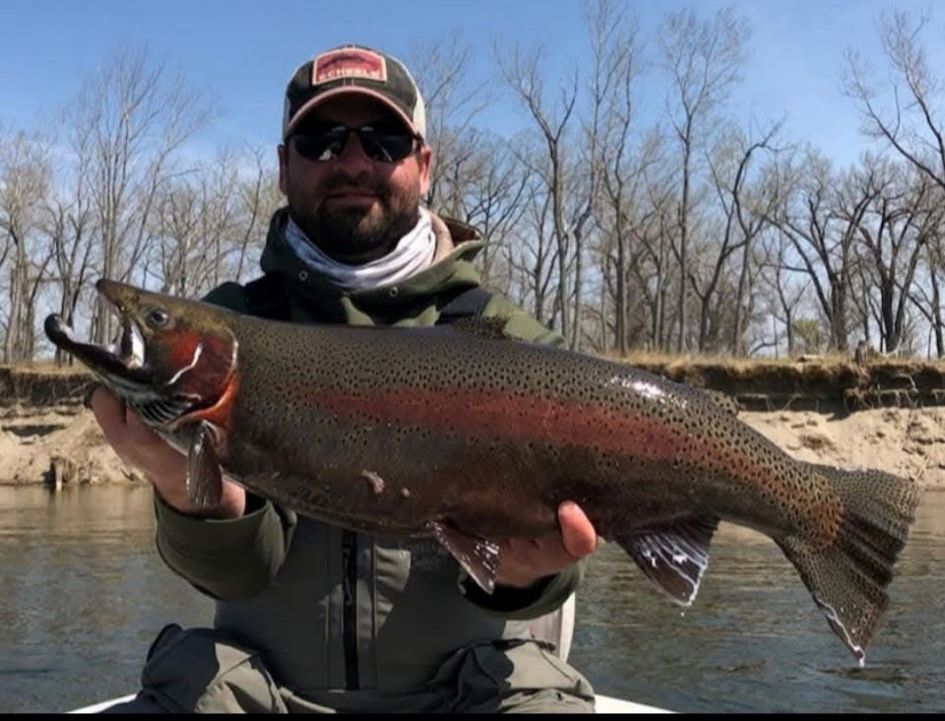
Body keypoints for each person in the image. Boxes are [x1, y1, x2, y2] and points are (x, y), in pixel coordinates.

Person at [92, 44, 598, 713]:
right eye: (321, 140)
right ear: (282, 166)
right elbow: (239, 572)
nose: (353, 162)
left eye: (383, 140)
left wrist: (525, 579)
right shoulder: (238, 323)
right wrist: (187, 490)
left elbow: (567, 541)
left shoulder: (509, 342)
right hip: (271, 696)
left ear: (424, 165)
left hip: (465, 697)